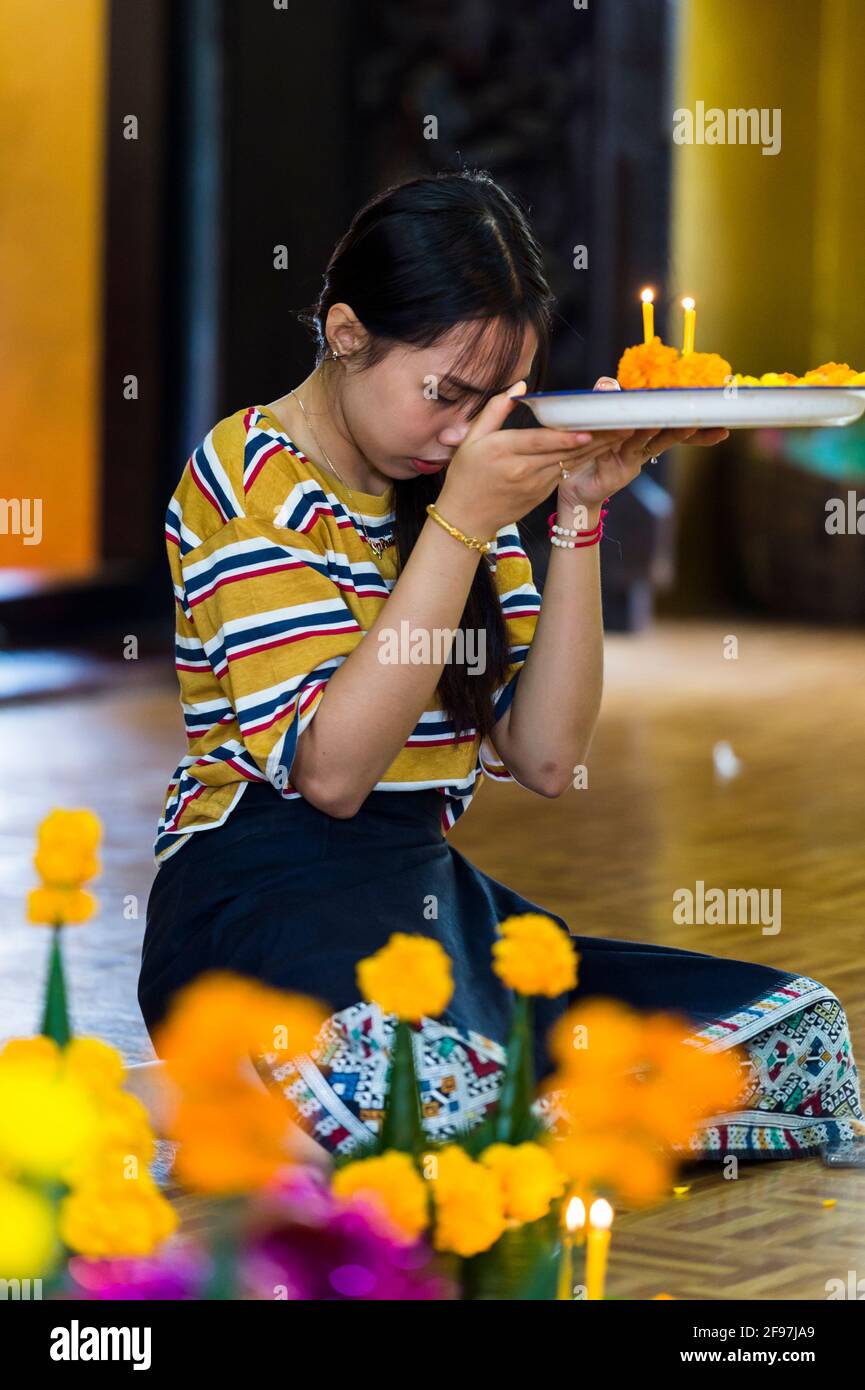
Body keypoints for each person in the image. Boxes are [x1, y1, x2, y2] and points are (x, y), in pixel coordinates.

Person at [138, 167, 864, 1164]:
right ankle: (363, 1103)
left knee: (800, 1037)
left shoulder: (451, 481)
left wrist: (576, 516)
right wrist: (461, 522)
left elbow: (549, 756)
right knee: (434, 1084)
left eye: (487, 403)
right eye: (442, 393)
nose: (457, 431)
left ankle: (484, 1123)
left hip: (426, 902)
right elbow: (333, 775)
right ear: (345, 335)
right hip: (259, 902)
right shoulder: (247, 478)